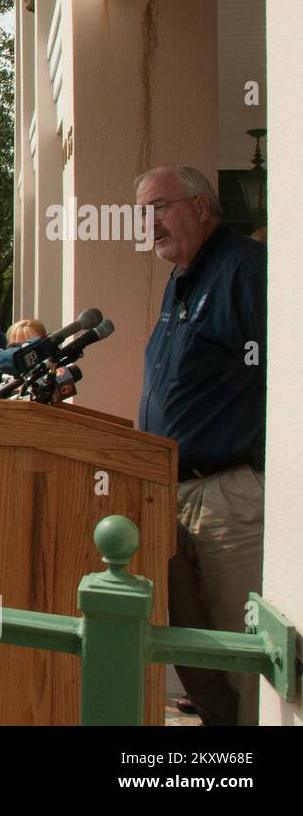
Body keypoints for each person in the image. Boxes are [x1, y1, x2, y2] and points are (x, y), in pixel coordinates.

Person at [135, 163, 267, 726]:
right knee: (193, 648)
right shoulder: (180, 278)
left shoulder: (246, 269)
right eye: (143, 212)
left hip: (227, 496)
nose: (150, 222)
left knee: (243, 652)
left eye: (159, 207)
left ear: (202, 207)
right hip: (173, 494)